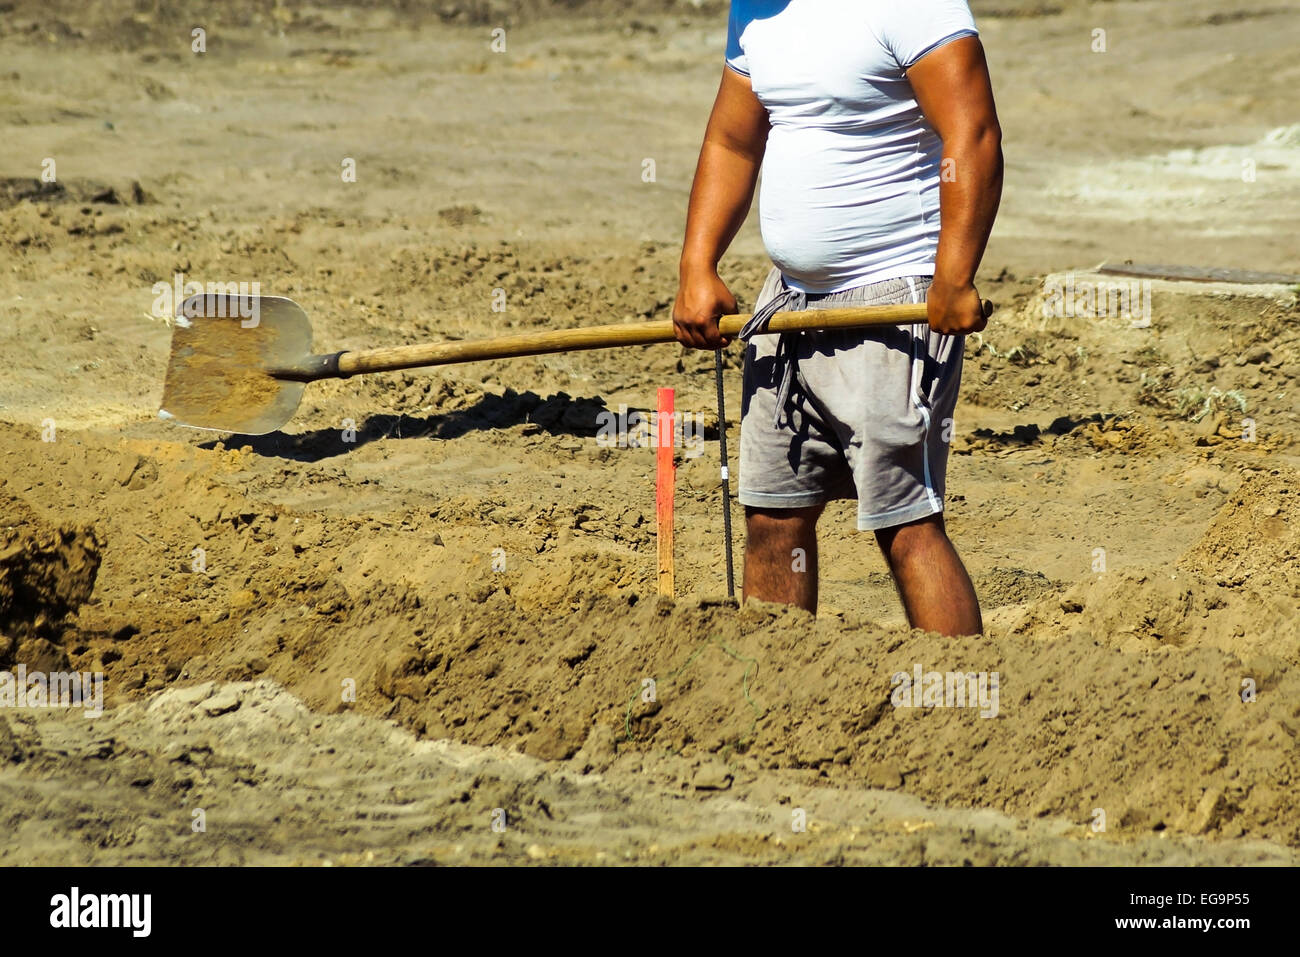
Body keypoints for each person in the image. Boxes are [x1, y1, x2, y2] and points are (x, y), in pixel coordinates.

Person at [672, 0, 1003, 636]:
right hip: (786, 305)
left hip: (894, 302)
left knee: (905, 522)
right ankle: (774, 680)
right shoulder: (755, 11)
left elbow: (974, 133)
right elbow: (732, 141)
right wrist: (697, 264)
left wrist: (955, 274)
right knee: (773, 515)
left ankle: (960, 690)